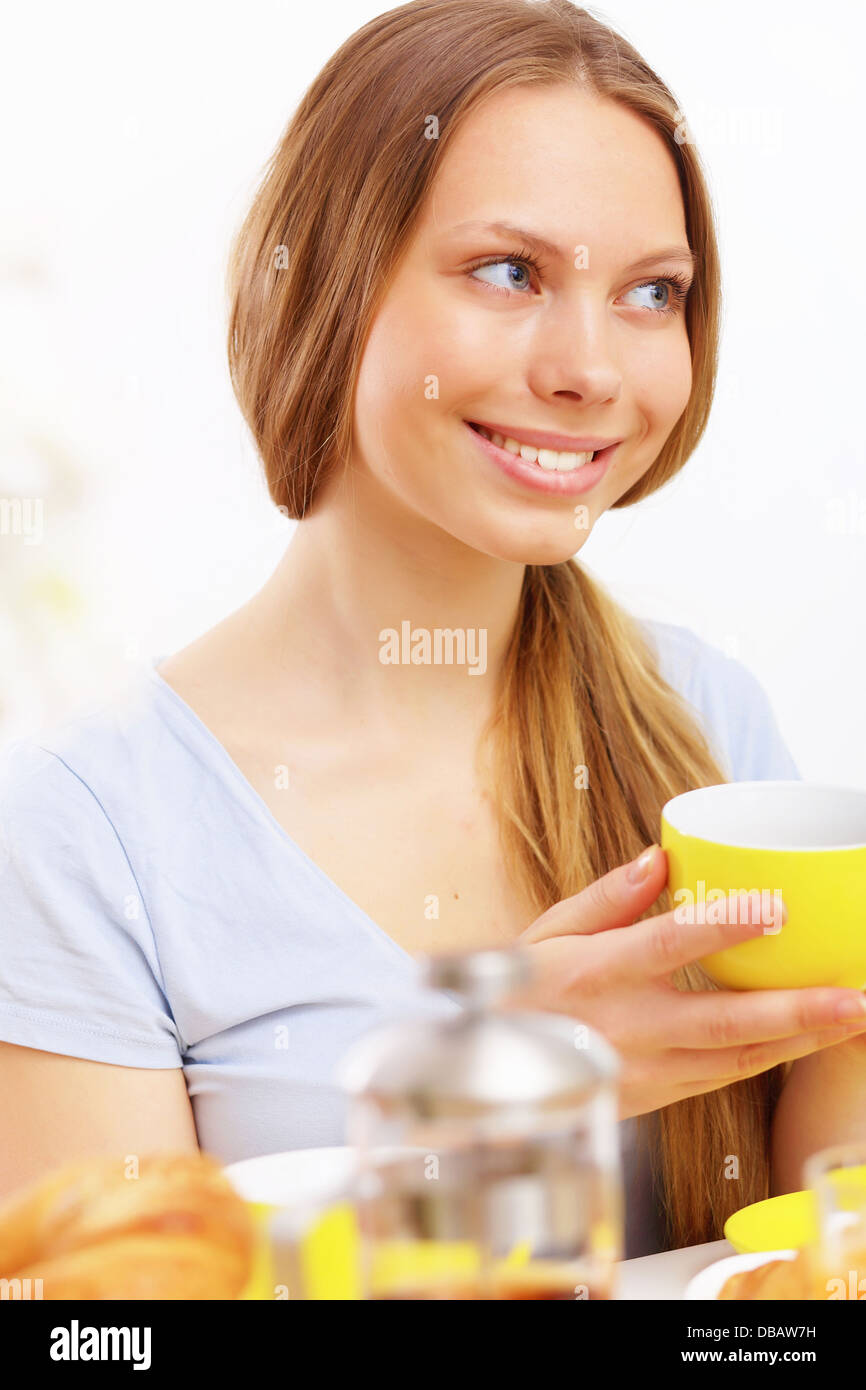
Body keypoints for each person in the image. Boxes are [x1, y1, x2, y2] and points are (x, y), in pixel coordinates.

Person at [2, 0, 864, 1260]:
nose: (591, 368)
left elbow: (814, 1254)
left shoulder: (702, 721)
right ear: (331, 278)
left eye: (649, 291)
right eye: (508, 271)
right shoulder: (86, 832)